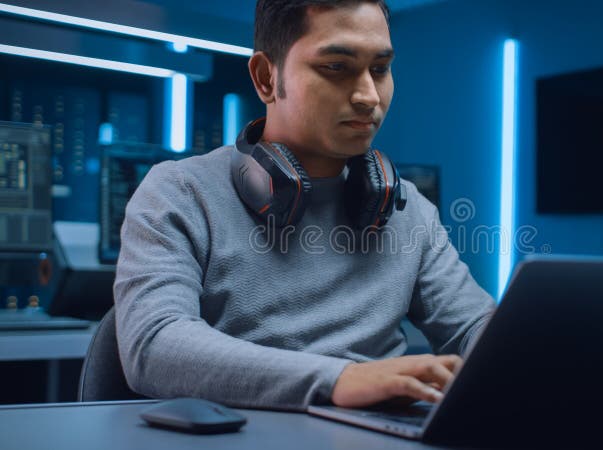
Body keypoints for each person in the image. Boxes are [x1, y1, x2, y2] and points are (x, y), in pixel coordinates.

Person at [114, 0, 495, 411]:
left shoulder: (409, 209)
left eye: (380, 69)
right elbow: (153, 346)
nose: (369, 96)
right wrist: (338, 379)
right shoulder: (180, 191)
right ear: (265, 78)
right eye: (336, 67)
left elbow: (476, 328)